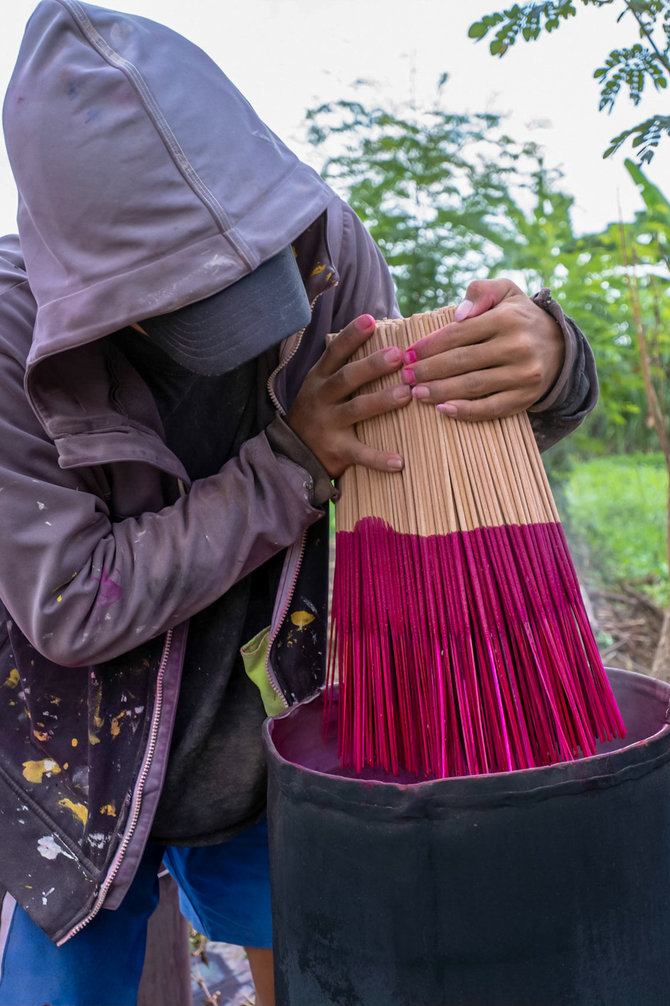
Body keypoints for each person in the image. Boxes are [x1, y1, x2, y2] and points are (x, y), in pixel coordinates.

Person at [0, 2, 597, 1004]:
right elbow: (71, 604)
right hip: (80, 781)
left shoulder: (317, 245)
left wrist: (550, 362)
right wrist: (288, 464)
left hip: (268, 743)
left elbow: (406, 454)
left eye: (252, 273)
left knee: (322, 961)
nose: (245, 317)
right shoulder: (11, 339)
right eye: (192, 303)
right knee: (65, 986)